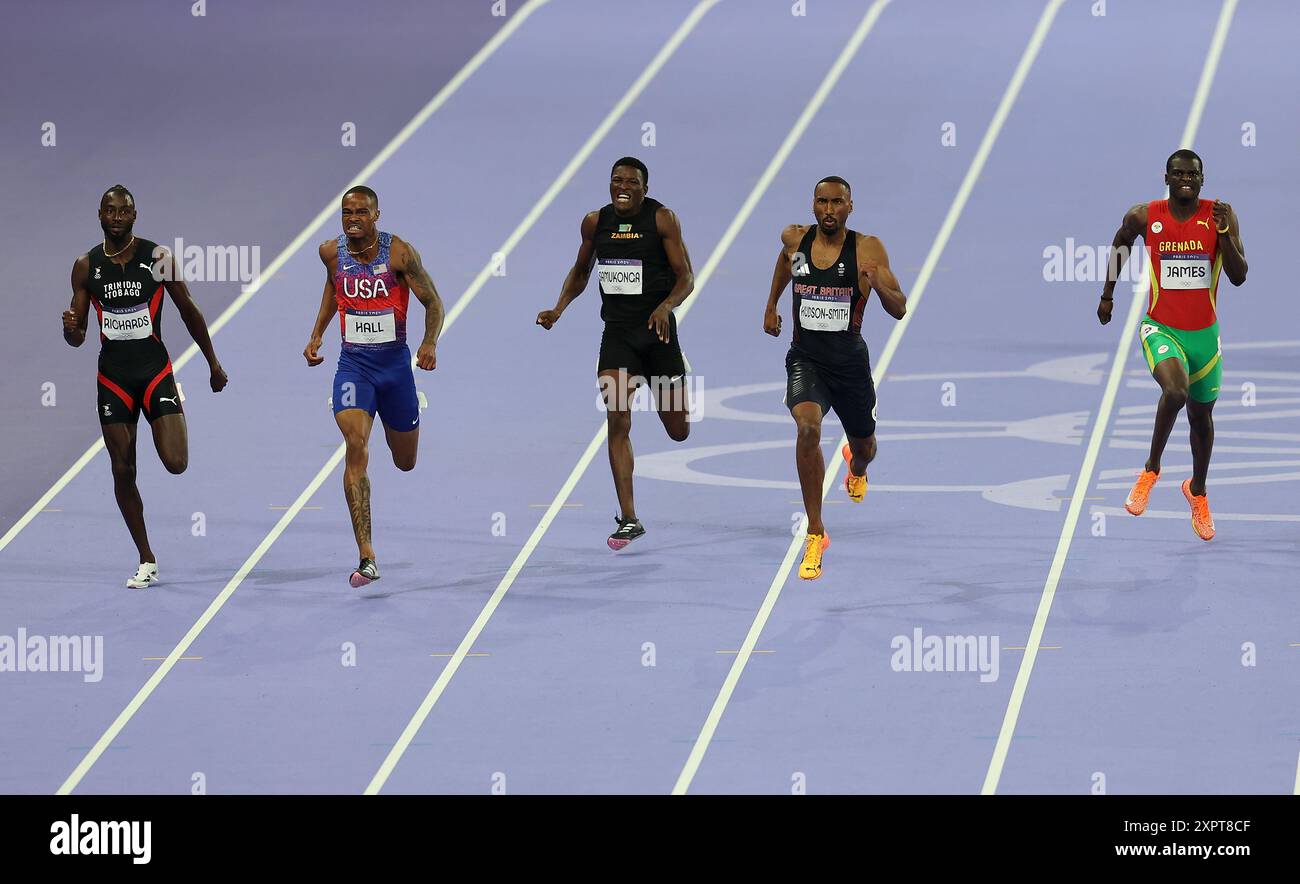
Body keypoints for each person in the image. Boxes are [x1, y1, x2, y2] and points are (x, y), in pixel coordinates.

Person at [62, 185, 228, 589]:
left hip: (155, 372)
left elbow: (188, 310)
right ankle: (146, 557)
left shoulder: (158, 259)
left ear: (135, 217)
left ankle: (170, 407)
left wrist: (213, 363)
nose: (117, 217)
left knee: (175, 462)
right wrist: (70, 330)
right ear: (99, 215)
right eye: (110, 211)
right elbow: (79, 335)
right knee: (123, 469)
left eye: (124, 211)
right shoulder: (86, 266)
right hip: (113, 380)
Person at [536, 157, 695, 550]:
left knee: (678, 431)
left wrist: (665, 307)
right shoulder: (595, 222)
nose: (622, 187)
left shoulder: (663, 220)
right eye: (616, 180)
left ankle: (677, 381)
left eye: (631, 182)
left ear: (644, 188)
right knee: (617, 418)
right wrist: (559, 307)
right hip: (618, 337)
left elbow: (686, 277)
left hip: (658, 337)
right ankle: (629, 517)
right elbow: (580, 271)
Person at [1099, 149, 1247, 541]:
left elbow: (1239, 277)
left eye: (1192, 174)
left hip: (1205, 340)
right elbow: (1120, 244)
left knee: (1201, 419)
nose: (1185, 179)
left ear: (1202, 179)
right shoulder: (1145, 216)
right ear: (1165, 177)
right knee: (1175, 392)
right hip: (1161, 328)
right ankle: (1150, 470)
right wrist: (1108, 294)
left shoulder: (1221, 215)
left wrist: (1224, 236)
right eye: (1178, 173)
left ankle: (1197, 490)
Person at [764, 176, 906, 580]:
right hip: (805, 360)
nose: (829, 210)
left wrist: (878, 284)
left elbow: (900, 309)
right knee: (807, 428)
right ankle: (815, 532)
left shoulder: (867, 248)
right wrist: (771, 305)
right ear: (813, 205)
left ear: (850, 207)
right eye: (822, 202)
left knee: (866, 446)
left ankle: (856, 467)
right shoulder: (794, 240)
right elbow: (783, 264)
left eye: (837, 203)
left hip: (849, 367)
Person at [303, 186, 444, 586]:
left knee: (405, 462)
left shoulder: (399, 253)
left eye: (360, 212)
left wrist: (429, 341)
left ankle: (401, 413)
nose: (352, 219)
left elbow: (432, 301)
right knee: (356, 445)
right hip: (354, 366)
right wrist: (317, 335)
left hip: (396, 369)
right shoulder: (331, 252)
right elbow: (334, 286)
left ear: (376, 215)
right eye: (347, 212)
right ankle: (367, 555)